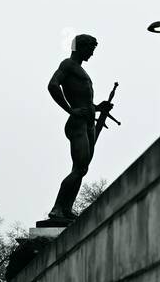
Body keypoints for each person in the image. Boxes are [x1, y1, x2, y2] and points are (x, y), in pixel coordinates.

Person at [46, 34, 113, 222]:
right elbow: (52, 85)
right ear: (81, 47)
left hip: (89, 124)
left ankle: (66, 209)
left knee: (82, 169)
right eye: (90, 49)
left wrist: (98, 107)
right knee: (79, 167)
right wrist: (70, 110)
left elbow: (85, 101)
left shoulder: (81, 70)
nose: (92, 54)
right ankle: (57, 208)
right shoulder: (68, 64)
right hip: (78, 124)